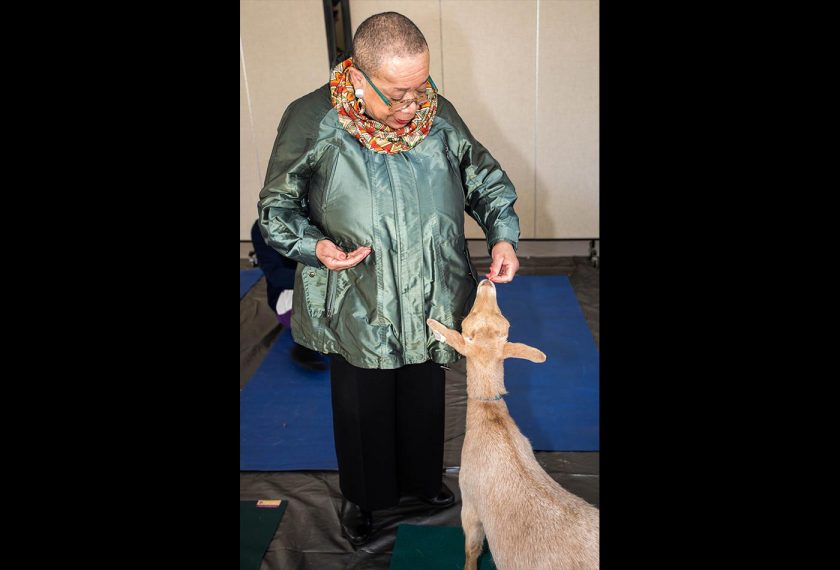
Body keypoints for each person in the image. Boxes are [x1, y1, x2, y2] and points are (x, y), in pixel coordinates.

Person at [257, 12, 520, 546]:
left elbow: (482, 177)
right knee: (364, 402)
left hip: (431, 284)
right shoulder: (314, 118)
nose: (413, 104)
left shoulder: (436, 111)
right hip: (358, 291)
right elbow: (276, 207)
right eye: (398, 93)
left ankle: (422, 482)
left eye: (421, 86)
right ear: (358, 76)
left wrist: (503, 235)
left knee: (425, 390)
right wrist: (313, 246)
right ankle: (366, 496)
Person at [250, 220, 328, 371]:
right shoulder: (263, 227)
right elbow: (276, 275)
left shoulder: (314, 218)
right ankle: (305, 343)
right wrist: (317, 278)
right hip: (287, 294)